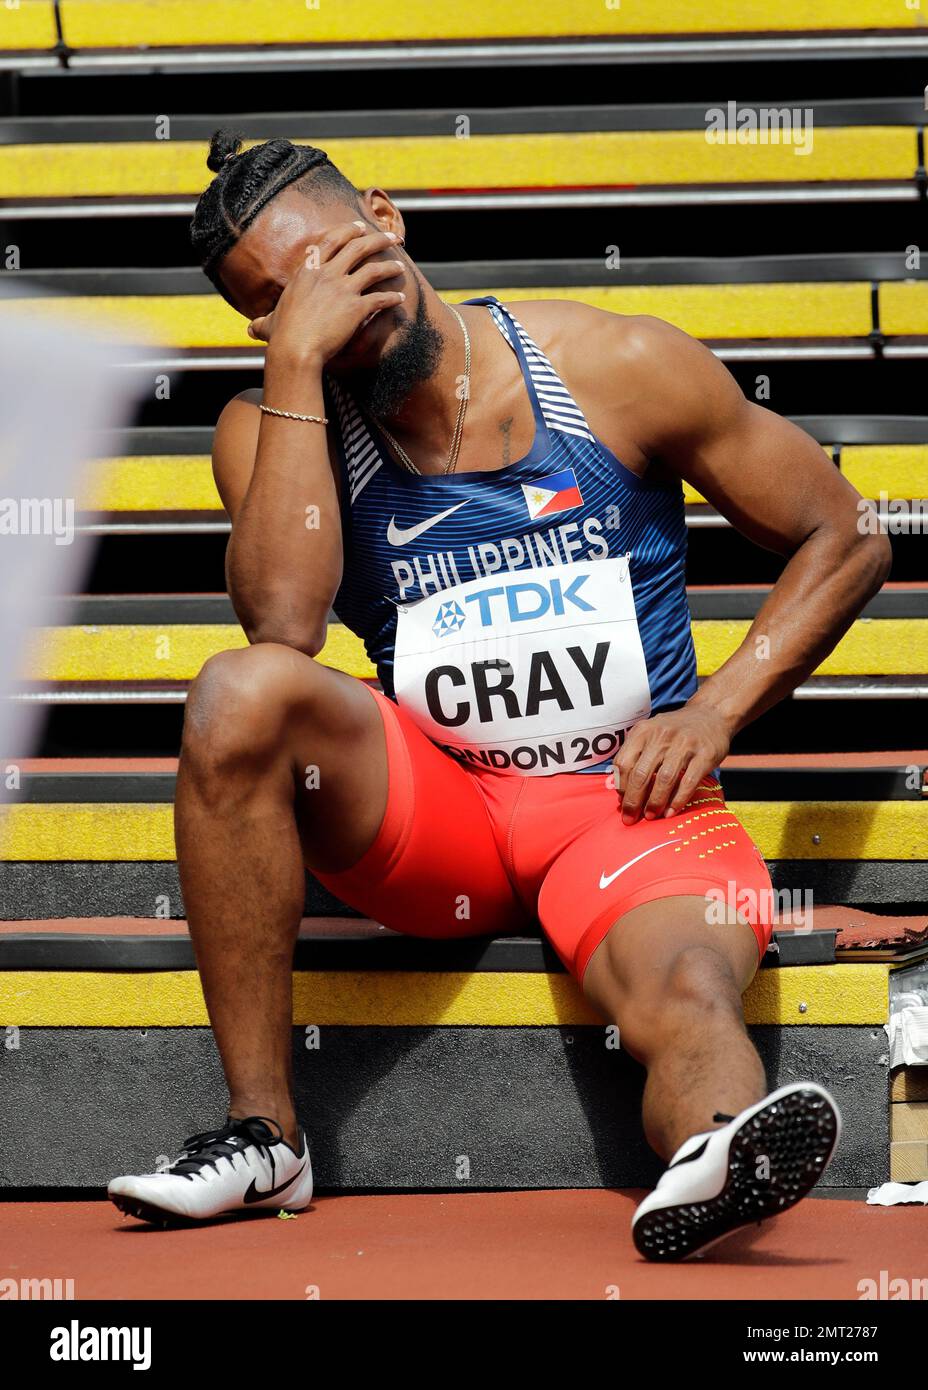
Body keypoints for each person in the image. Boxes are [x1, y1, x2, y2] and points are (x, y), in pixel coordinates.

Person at [108, 132, 890, 1259]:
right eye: (284, 301)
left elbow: (849, 532)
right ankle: (264, 1136)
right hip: (442, 813)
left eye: (334, 258)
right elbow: (282, 627)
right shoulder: (275, 423)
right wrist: (293, 373)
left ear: (386, 213)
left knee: (687, 987)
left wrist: (716, 707)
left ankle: (716, 1155)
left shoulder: (614, 365)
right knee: (238, 692)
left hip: (626, 810)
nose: (327, 305)